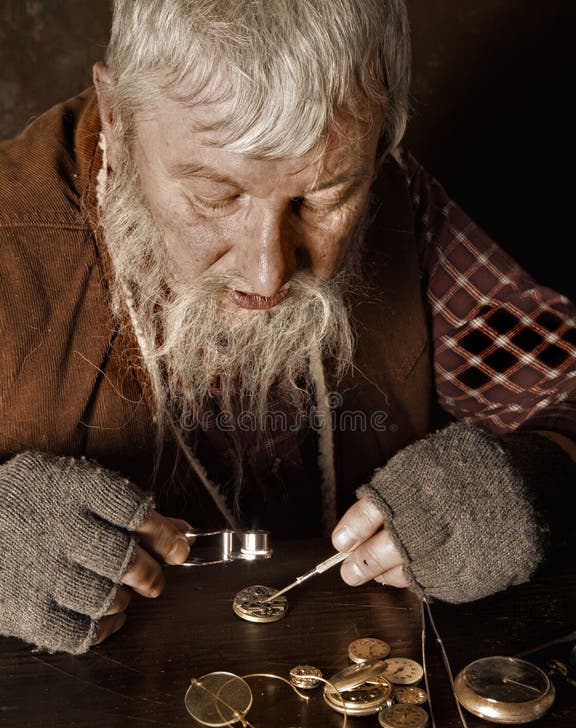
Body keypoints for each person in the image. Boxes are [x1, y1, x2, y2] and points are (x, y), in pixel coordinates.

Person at [0, 0, 574, 655]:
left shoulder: (394, 196)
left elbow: (565, 393)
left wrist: (540, 477)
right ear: (118, 117)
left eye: (321, 198)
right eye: (216, 195)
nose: (268, 273)